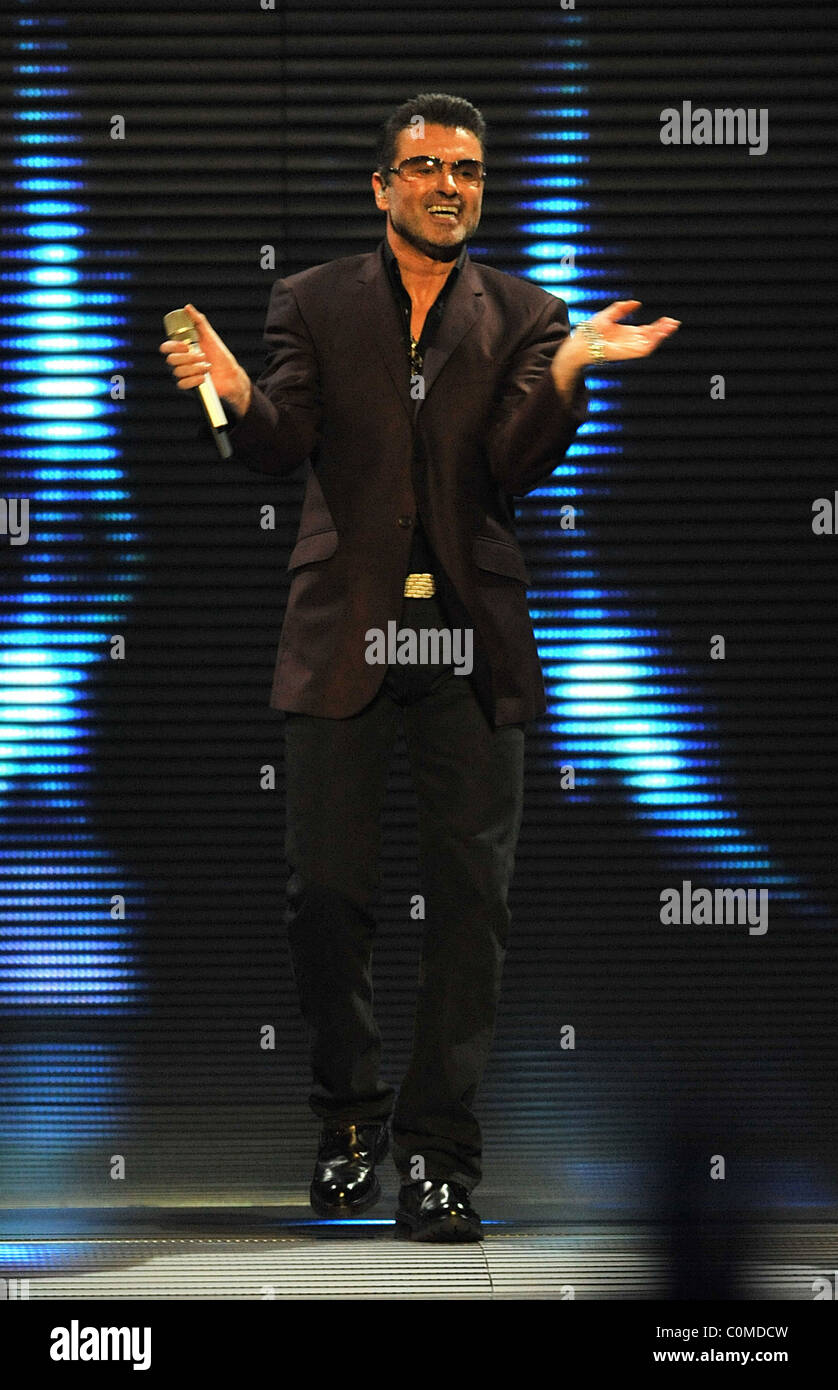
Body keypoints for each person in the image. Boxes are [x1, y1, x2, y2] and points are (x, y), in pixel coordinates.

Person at [160, 92, 680, 1242]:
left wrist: (568, 372)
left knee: (471, 907)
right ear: (383, 185)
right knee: (326, 899)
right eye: (428, 165)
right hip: (341, 632)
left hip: (471, 640)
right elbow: (277, 443)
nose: (452, 184)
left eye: (471, 169)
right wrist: (237, 389)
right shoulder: (310, 300)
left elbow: (513, 465)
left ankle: (439, 1157)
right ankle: (350, 1120)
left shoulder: (528, 313)